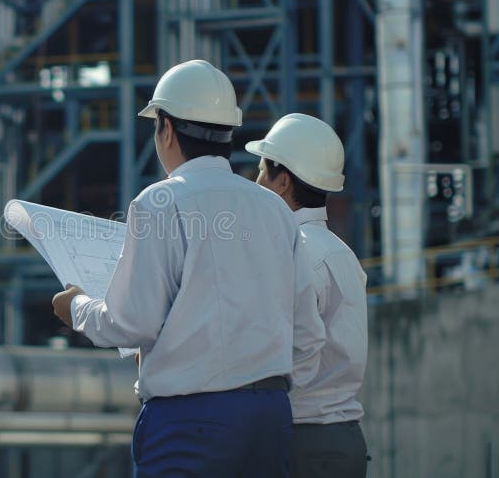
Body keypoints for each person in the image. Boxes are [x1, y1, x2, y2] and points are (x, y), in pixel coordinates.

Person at [51, 60, 325, 477]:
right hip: (269, 419)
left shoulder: (158, 203)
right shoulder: (274, 210)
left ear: (167, 129)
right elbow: (308, 335)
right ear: (229, 134)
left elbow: (131, 323)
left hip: (188, 422)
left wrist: (77, 308)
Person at [246, 113, 369, 478]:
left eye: (261, 172)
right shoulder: (342, 254)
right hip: (345, 439)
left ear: (283, 181)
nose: (255, 182)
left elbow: (281, 354)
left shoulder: (292, 254)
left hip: (301, 441)